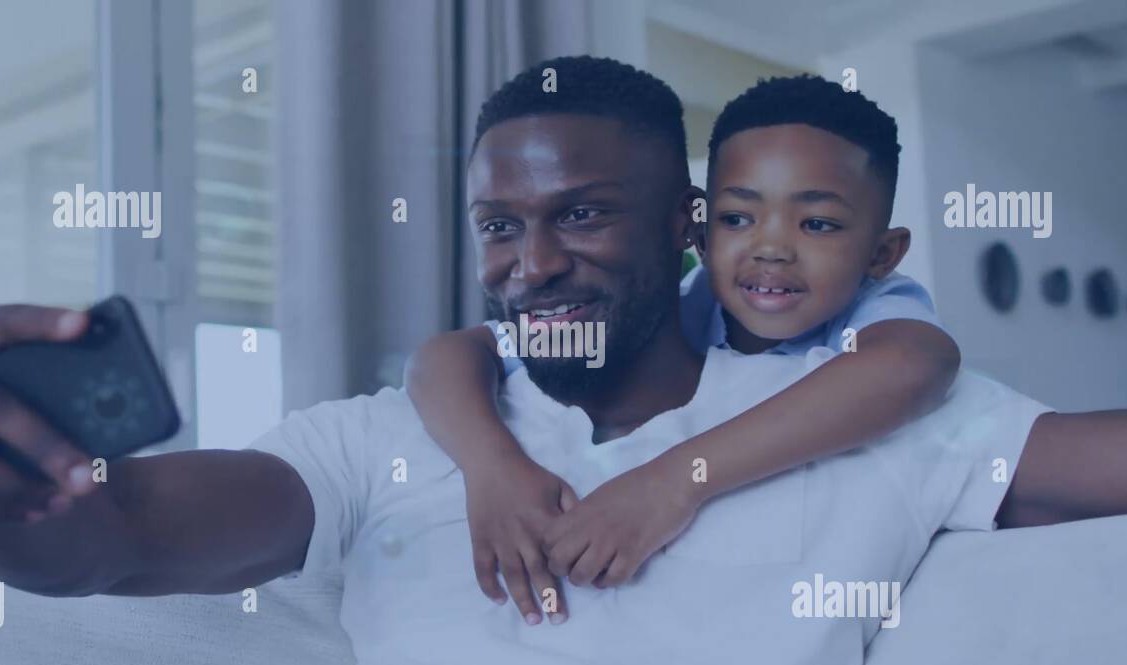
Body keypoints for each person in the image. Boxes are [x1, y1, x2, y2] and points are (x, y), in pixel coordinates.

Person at [0, 57, 1127, 665]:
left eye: (581, 215)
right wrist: (1, 484)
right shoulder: (388, 437)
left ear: (687, 223)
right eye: (498, 226)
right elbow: (113, 543)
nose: (532, 264)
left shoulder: (845, 414)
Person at [405, 69, 960, 624]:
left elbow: (913, 363)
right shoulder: (686, 303)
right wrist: (492, 468)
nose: (771, 250)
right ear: (697, 229)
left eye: (816, 223)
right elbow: (445, 356)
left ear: (882, 256)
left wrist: (671, 483)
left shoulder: (871, 306)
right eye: (736, 218)